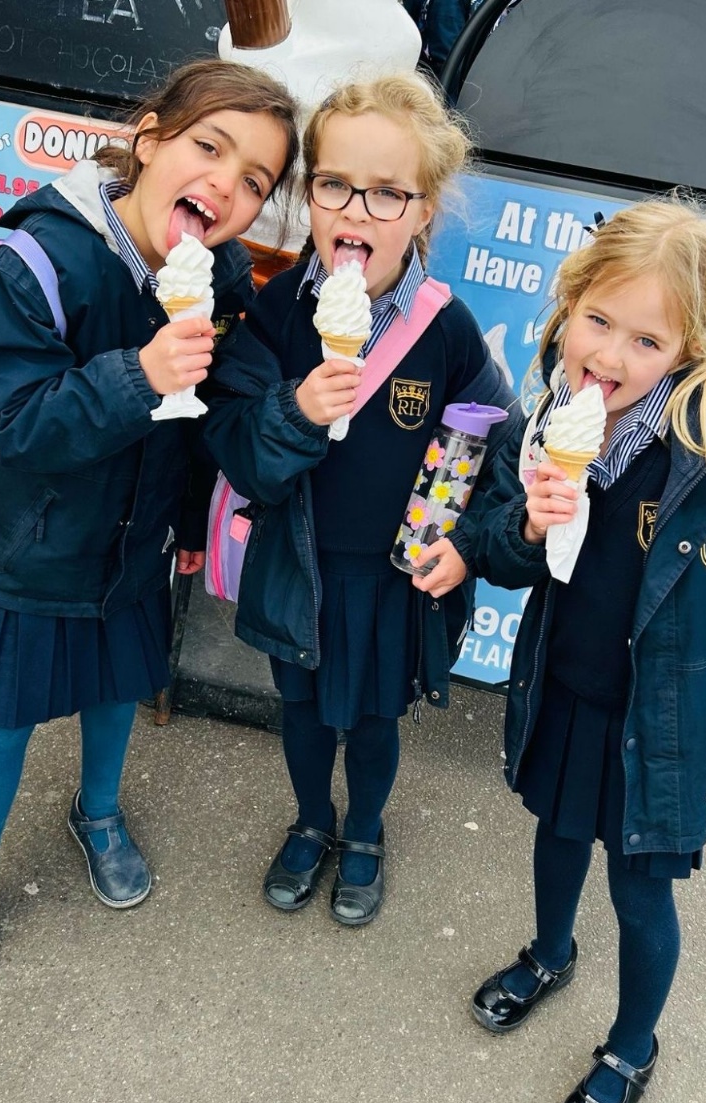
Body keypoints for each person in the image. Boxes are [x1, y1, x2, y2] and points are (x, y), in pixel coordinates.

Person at [0, 61, 299, 1033]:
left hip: (136, 547)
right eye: (211, 147)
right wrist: (140, 373)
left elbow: (222, 412)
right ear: (150, 139)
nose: (228, 187)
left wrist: (240, 468)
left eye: (255, 181)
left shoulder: (223, 277)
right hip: (29, 552)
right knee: (3, 721)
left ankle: (98, 813)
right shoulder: (35, 265)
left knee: (119, 684)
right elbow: (12, 430)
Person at [465, 197, 706, 1103]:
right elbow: (503, 546)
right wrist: (528, 524)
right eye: (597, 321)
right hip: (569, 686)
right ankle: (550, 955)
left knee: (639, 890)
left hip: (667, 718)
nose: (611, 357)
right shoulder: (551, 414)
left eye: (646, 339)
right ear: (569, 300)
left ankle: (632, 1045)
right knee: (554, 834)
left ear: (694, 342)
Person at [204, 74, 518, 927]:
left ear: (424, 211)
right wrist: (292, 409)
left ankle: (368, 831)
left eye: (388, 195)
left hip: (391, 578)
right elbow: (231, 437)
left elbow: (500, 458)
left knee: (376, 720)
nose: (357, 214)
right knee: (301, 713)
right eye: (335, 186)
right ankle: (312, 820)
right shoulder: (277, 313)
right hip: (298, 568)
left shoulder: (445, 329)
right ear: (310, 196)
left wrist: (468, 547)